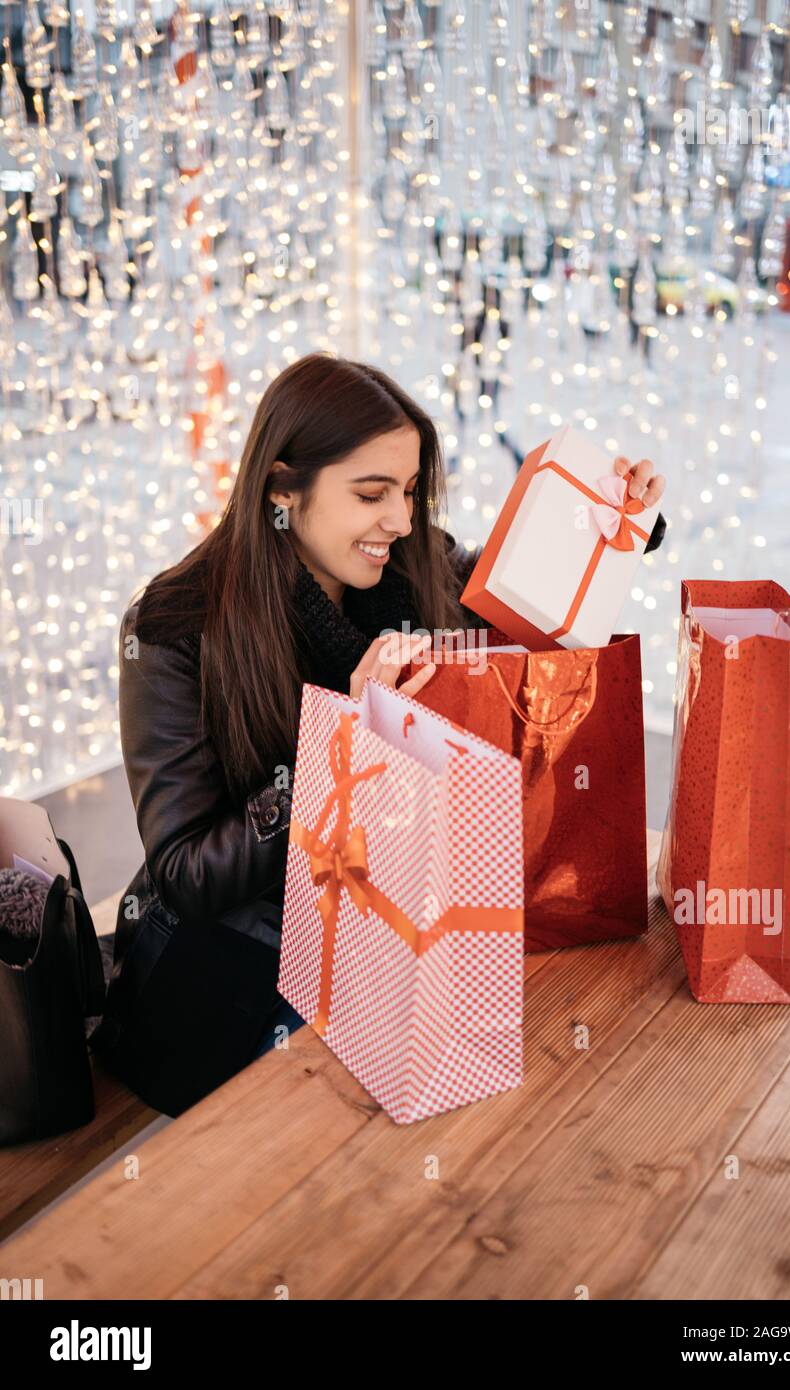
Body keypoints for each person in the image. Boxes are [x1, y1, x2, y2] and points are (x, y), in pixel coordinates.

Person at [90, 353, 667, 1117]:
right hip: (225, 970)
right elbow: (188, 874)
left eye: (409, 490)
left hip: (384, 933)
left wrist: (623, 522)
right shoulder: (173, 628)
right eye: (371, 493)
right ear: (280, 489)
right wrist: (344, 742)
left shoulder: (414, 560)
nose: (399, 519)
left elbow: (521, 605)